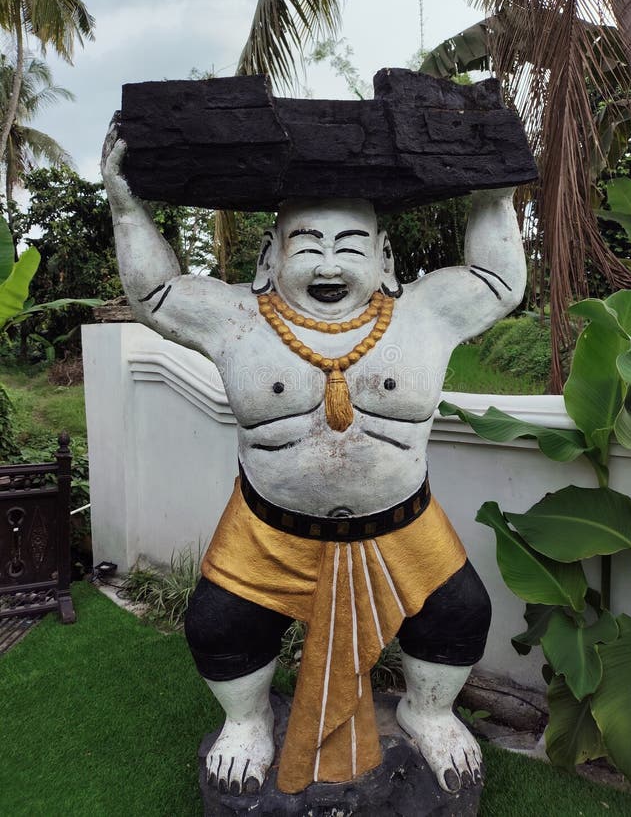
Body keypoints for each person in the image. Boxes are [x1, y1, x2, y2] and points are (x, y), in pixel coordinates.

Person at [102, 128, 526, 797]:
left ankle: (429, 711)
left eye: (350, 246)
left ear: (384, 259)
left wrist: (494, 194)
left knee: (457, 612)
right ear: (270, 257)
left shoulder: (426, 315)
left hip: (403, 528)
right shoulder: (233, 316)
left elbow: (497, 282)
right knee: (221, 622)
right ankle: (246, 723)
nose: (330, 265)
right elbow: (156, 294)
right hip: (268, 530)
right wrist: (127, 210)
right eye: (310, 246)